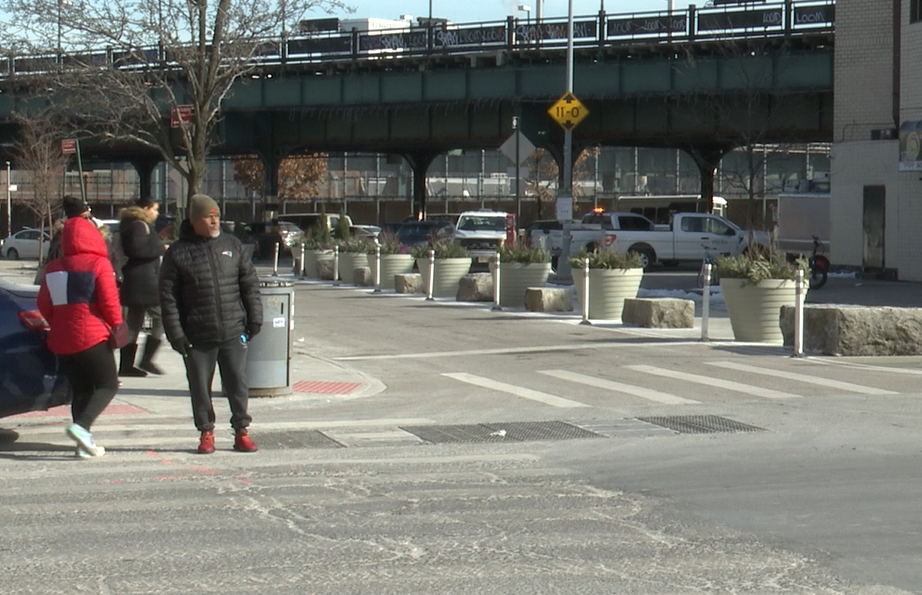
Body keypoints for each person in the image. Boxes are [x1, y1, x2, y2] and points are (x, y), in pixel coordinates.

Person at [159, 194, 263, 454]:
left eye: (216, 216)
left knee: (237, 383)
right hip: (197, 335)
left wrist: (255, 318)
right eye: (209, 217)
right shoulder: (178, 253)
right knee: (200, 386)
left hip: (232, 330)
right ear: (195, 221)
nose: (215, 221)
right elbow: (168, 298)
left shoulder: (232, 245)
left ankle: (241, 430)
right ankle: (206, 432)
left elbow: (249, 285)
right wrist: (176, 334)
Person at [37, 214, 123, 458]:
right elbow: (109, 302)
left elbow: (43, 302)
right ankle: (81, 428)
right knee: (108, 384)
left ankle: (83, 445)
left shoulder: (53, 267)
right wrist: (117, 325)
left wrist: (58, 323)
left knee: (82, 390)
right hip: (92, 336)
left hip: (61, 340)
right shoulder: (99, 264)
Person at [117, 196, 166, 377]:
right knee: (161, 316)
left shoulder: (133, 224)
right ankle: (146, 359)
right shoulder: (138, 225)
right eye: (155, 209)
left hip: (137, 281)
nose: (157, 213)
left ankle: (126, 365)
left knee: (134, 323)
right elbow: (137, 250)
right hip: (143, 281)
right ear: (145, 208)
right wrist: (161, 249)